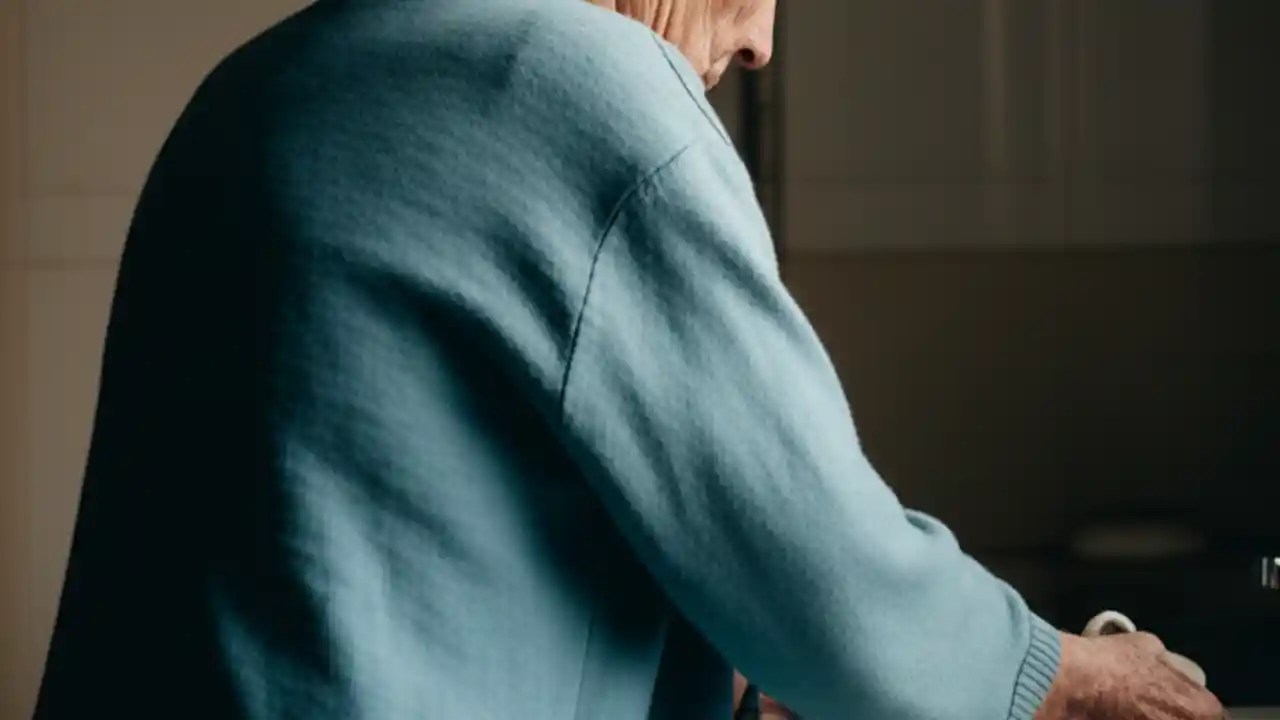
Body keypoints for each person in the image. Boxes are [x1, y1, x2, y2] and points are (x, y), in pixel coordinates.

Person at [33, 1, 1225, 718]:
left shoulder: (254, 92)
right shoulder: (572, 85)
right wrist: (1060, 674)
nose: (759, 39)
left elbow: (384, 552)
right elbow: (829, 591)